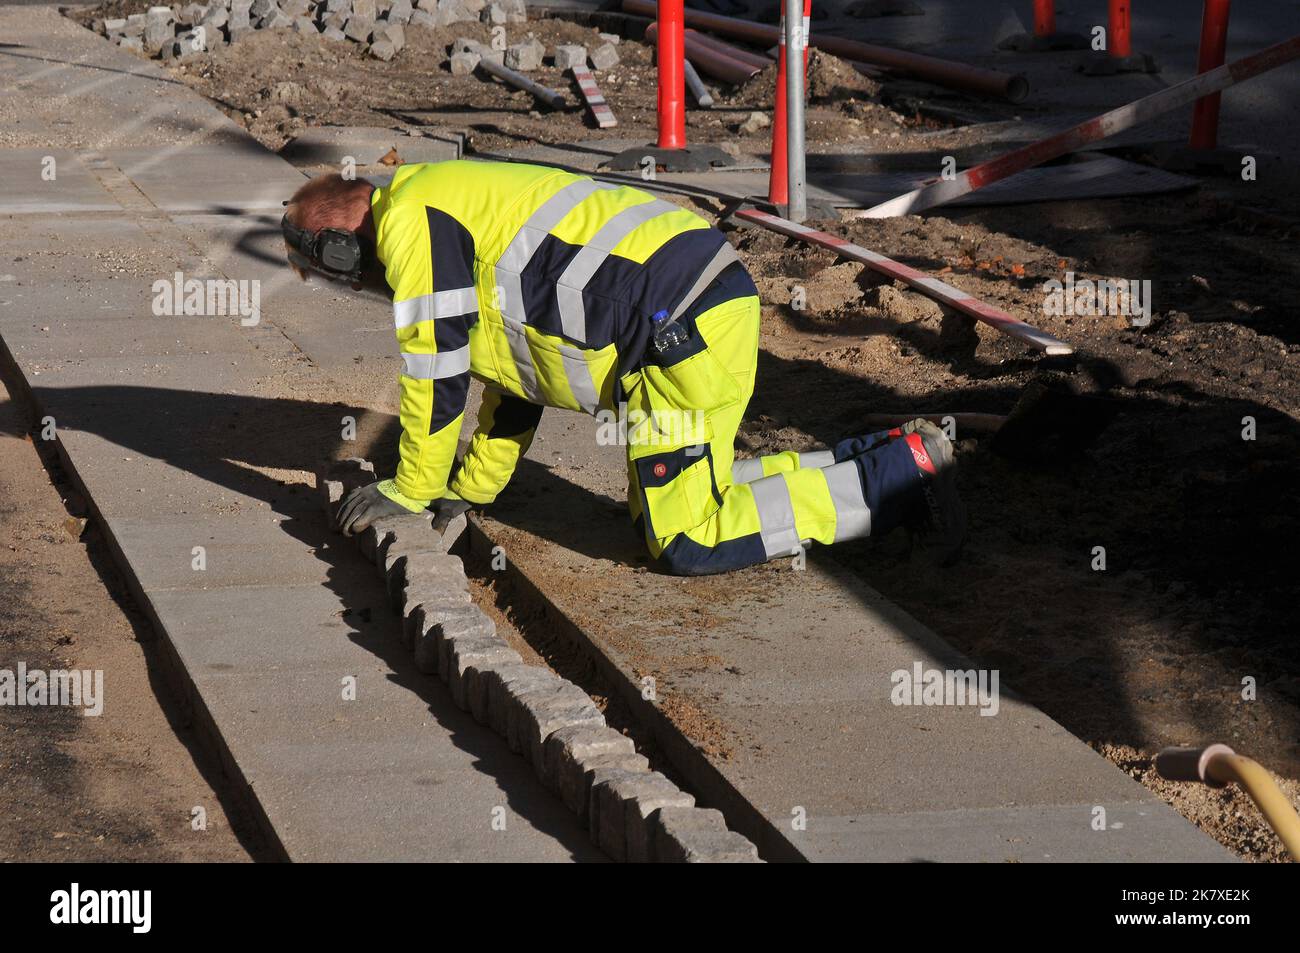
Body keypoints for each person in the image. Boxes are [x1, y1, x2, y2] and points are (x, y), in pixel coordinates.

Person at [282, 160, 964, 575]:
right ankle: (892, 458)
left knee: (688, 539)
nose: (351, 289)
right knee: (681, 495)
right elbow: (513, 379)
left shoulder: (412, 226)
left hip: (678, 329)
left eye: (333, 275)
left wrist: (411, 489)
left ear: (342, 248)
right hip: (695, 305)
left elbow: (437, 375)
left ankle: (898, 478)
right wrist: (474, 488)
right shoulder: (442, 199)